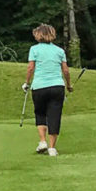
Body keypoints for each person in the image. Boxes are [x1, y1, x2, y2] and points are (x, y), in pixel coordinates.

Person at [23, 24, 72, 156]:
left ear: (38, 35)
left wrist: (26, 83)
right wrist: (69, 85)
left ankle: (43, 141)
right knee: (54, 116)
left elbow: (30, 68)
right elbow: (65, 70)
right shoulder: (59, 51)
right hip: (57, 87)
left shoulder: (34, 49)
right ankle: (52, 148)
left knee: (40, 113)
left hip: (39, 87)